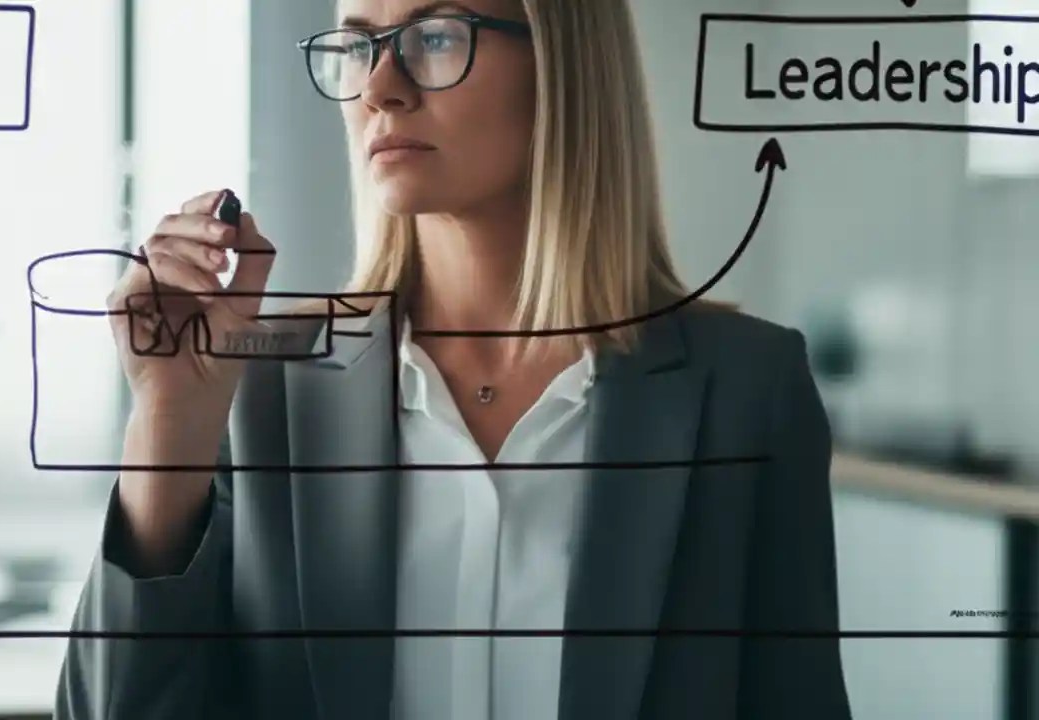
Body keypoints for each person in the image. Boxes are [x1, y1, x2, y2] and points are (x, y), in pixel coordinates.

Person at [54, 0, 854, 718]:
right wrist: (168, 424)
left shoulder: (747, 391)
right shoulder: (262, 385)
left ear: (563, 67)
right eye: (358, 48)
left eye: (435, 37)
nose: (379, 89)